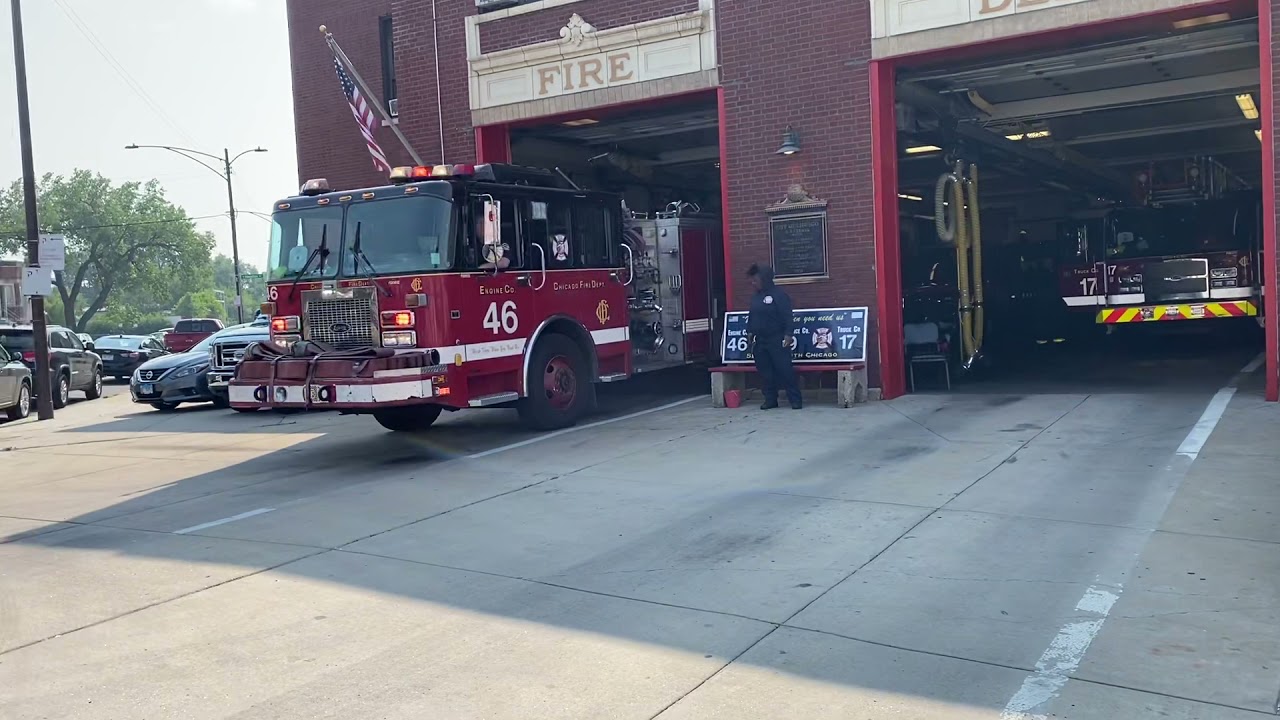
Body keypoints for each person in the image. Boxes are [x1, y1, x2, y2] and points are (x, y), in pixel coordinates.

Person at [746, 263, 802, 410]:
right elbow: (752, 316)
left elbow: (787, 316)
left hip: (777, 340)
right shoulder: (755, 297)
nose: (753, 283)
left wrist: (788, 334)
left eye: (755, 280)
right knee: (766, 372)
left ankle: (795, 400)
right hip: (761, 341)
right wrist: (750, 332)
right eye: (751, 281)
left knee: (785, 370)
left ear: (764, 279)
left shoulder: (779, 295)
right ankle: (770, 400)